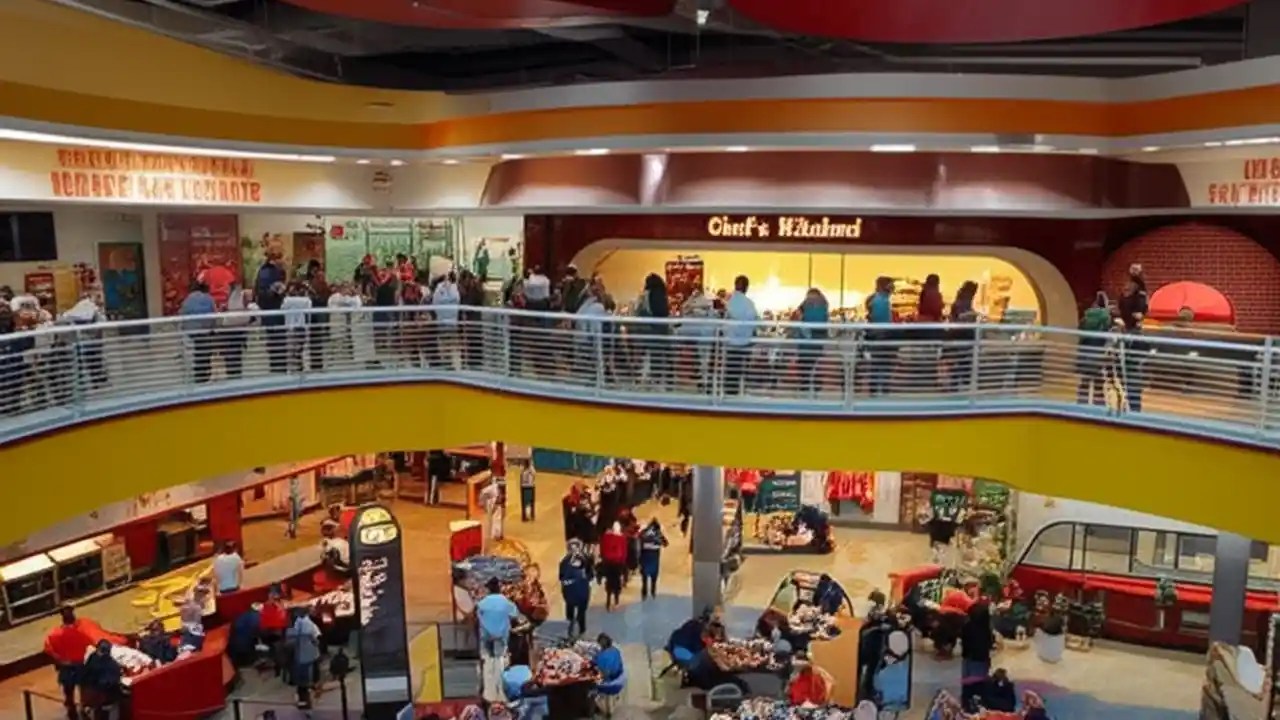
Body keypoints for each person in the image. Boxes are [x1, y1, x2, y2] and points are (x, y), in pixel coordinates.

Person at [45, 605, 91, 714]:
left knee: (68, 690)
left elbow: (48, 649)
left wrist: (59, 660)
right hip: (81, 664)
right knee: (84, 688)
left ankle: (71, 709)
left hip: (66, 666)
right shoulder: (82, 631)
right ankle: (85, 708)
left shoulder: (55, 634)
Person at [723, 275, 759, 396]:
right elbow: (755, 322)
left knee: (730, 371)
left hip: (730, 342)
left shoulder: (729, 301)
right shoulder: (749, 304)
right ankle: (740, 392)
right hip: (744, 343)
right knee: (741, 370)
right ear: (747, 287)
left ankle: (729, 394)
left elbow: (724, 320)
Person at [1076, 291, 1112, 405]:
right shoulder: (1106, 318)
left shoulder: (1086, 317)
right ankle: (1099, 404)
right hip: (1098, 352)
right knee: (1098, 381)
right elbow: (1108, 335)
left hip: (1085, 352)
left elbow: (1080, 334)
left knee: (1085, 380)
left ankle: (1081, 402)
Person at [179, 281, 217, 384]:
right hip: (205, 330)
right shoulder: (209, 298)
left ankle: (198, 375)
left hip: (191, 331)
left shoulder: (187, 300)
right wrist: (213, 329)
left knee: (196, 352)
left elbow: (182, 315)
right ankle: (205, 374)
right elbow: (214, 315)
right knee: (205, 352)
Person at [960, 602, 995, 711]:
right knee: (978, 687)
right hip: (980, 661)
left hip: (968, 659)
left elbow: (964, 641)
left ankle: (966, 705)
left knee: (967, 686)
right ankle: (976, 707)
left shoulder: (967, 627)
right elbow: (989, 645)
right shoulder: (986, 630)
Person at [285, 608, 322, 709]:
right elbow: (316, 639)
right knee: (307, 680)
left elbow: (289, 641)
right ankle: (307, 700)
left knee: (301, 681)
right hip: (309, 656)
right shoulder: (310, 625)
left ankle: (303, 701)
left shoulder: (294, 626)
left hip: (299, 657)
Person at [865, 275, 896, 396]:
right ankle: (882, 389)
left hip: (878, 335)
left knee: (877, 364)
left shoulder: (879, 300)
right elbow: (880, 320)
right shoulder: (881, 301)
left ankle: (875, 389)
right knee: (883, 364)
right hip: (882, 335)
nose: (893, 288)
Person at [795, 288, 829, 394]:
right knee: (813, 363)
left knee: (805, 363)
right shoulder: (824, 304)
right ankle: (815, 385)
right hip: (818, 341)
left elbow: (797, 316)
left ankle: (806, 386)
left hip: (806, 341)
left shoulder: (806, 303)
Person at [476, 577, 520, 660]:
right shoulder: (506, 602)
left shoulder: (482, 603)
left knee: (486, 656)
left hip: (486, 634)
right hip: (502, 634)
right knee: (500, 657)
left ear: (489, 589)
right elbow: (515, 615)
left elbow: (477, 616)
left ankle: (488, 668)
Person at [79, 639, 122, 720]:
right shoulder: (112, 664)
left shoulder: (93, 657)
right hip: (105, 697)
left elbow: (85, 675)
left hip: (97, 695)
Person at [221, 282, 257, 379]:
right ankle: (236, 372)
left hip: (229, 325)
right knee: (236, 350)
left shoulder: (231, 296)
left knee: (230, 350)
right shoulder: (242, 295)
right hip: (240, 325)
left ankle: (231, 372)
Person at [559, 539, 593, 636]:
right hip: (571, 591)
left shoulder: (586, 559)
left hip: (581, 591)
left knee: (581, 612)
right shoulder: (564, 562)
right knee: (571, 610)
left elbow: (590, 573)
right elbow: (561, 577)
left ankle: (581, 629)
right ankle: (571, 627)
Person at [433, 271, 461, 368]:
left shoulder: (438, 290)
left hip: (442, 321)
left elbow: (435, 304)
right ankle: (448, 361)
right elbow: (457, 301)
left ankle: (446, 361)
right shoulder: (454, 289)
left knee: (444, 342)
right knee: (449, 343)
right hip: (451, 321)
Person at [638, 518, 668, 600]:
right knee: (654, 575)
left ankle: (644, 592)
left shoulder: (644, 532)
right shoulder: (657, 533)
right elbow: (665, 543)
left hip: (644, 556)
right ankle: (653, 592)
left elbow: (639, 538)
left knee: (644, 576)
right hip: (654, 557)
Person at [600, 521, 627, 611]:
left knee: (609, 580)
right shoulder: (622, 538)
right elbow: (624, 551)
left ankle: (608, 601)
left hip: (608, 562)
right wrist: (623, 563)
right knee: (616, 581)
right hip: (617, 562)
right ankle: (616, 601)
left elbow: (602, 549)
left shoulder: (606, 537)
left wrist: (603, 558)